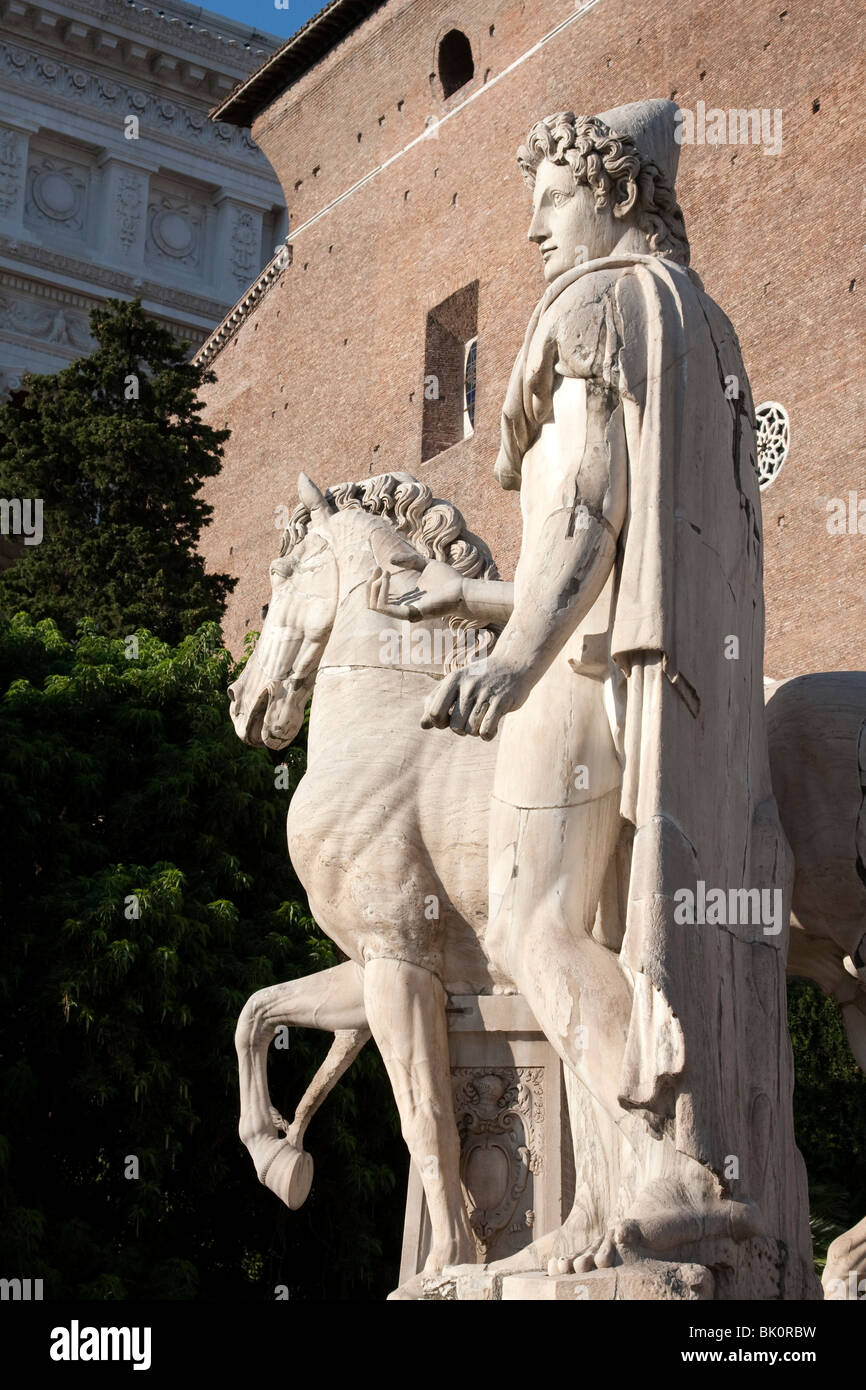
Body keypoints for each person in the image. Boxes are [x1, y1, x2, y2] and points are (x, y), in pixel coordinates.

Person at [370, 102, 815, 1294]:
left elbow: (584, 510)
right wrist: (474, 602)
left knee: (530, 921)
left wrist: (511, 657)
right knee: (612, 930)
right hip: (660, 678)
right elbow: (637, 546)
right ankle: (624, 1196)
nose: (533, 234)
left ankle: (656, 1167)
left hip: (575, 669)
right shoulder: (702, 327)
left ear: (615, 195)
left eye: (550, 202)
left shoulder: (594, 306)